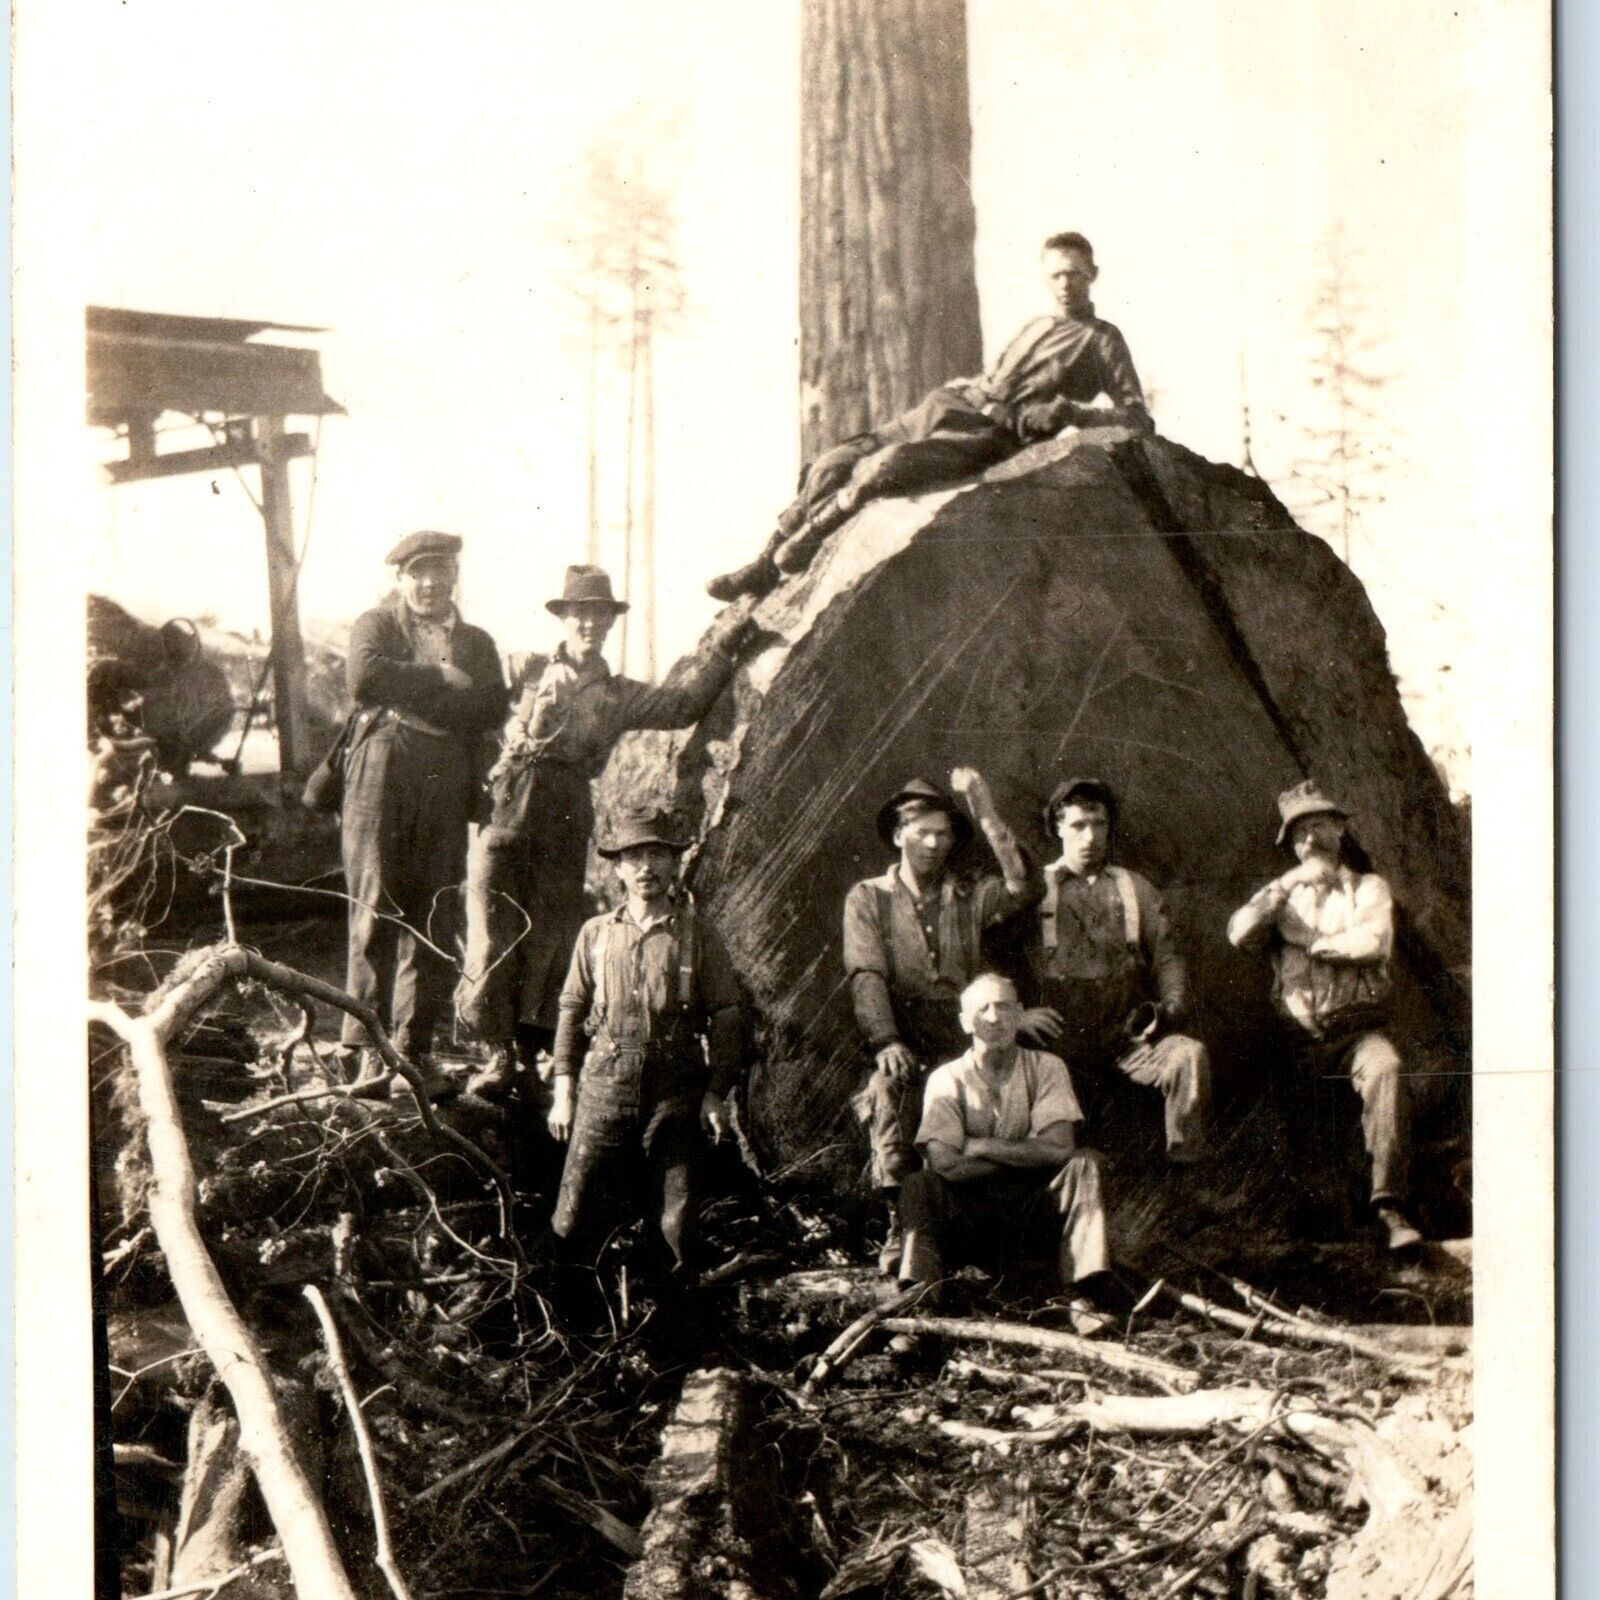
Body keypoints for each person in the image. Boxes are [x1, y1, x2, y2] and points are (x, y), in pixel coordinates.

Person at [707, 231, 1152, 601]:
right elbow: (999, 374)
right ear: (1044, 276)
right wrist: (968, 384)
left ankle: (806, 541)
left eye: (1075, 273)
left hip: (989, 435)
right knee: (832, 462)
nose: (1066, 284)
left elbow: (1136, 419)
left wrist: (1073, 412)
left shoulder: (1102, 340)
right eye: (1056, 274)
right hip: (952, 405)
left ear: (1093, 275)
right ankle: (762, 567)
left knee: (884, 467)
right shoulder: (1037, 323)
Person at [456, 565, 756, 1099]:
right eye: (580, 614)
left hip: (565, 809)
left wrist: (727, 648)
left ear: (611, 622)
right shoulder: (523, 666)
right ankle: (498, 1053)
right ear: (564, 618)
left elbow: (683, 706)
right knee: (491, 931)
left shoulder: (619, 695)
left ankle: (534, 1057)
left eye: (599, 615)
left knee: (551, 935)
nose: (589, 624)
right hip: (506, 803)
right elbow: (477, 708)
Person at [841, 769, 1046, 1269]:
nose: (933, 845)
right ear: (898, 836)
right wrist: (886, 1039)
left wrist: (985, 810)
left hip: (964, 1032)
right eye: (921, 833)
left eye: (943, 834)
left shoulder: (970, 894)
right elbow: (866, 973)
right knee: (888, 1094)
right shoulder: (869, 897)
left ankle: (993, 1233)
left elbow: (1024, 888)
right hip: (906, 1032)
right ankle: (902, 1225)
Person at [545, 805, 745, 1291]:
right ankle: (571, 1319)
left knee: (675, 1224)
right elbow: (571, 1010)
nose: (646, 868)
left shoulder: (699, 935)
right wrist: (563, 1092)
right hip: (604, 1084)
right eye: (634, 857)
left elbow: (728, 1015)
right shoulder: (595, 934)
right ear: (617, 868)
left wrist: (715, 1093)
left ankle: (669, 1326)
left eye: (657, 855)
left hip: (675, 1089)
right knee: (574, 1212)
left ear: (674, 863)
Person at [338, 532, 507, 1093]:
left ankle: (414, 1053)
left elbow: (489, 705)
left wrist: (411, 689)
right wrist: (440, 679)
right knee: (375, 904)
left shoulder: (477, 642)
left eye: (441, 571)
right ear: (400, 578)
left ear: (455, 575)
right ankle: (369, 1051)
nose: (431, 583)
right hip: (383, 767)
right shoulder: (376, 625)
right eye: (419, 572)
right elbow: (365, 679)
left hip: (446, 775)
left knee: (434, 910)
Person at [1226, 780, 1423, 1253]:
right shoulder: (1281, 896)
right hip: (1299, 1040)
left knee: (1386, 1068)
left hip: (1357, 1032)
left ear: (1339, 829)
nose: (1310, 840)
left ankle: (1389, 1207)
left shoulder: (1368, 888)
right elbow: (1239, 932)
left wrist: (1312, 945)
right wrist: (1284, 887)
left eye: (1318, 826)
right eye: (1299, 834)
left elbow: (1371, 942)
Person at [897, 973, 1115, 1337]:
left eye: (1003, 1007)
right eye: (982, 1009)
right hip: (971, 1216)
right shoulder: (946, 1078)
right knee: (919, 1185)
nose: (994, 1018)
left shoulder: (1046, 1067)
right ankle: (919, 1309)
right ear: (966, 1022)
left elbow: (1060, 1147)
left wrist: (981, 1146)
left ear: (1019, 1014)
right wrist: (1029, 1153)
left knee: (1084, 1164)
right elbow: (945, 1163)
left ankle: (1083, 1297)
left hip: (1034, 1212)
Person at [1022, 778, 1210, 1163]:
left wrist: (1171, 1002)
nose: (1090, 837)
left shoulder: (1134, 887)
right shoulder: (1036, 890)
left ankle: (1186, 1163)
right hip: (1059, 1045)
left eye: (1099, 824)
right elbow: (996, 959)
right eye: (1078, 825)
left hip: (1127, 1038)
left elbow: (1167, 956)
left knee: (1188, 1056)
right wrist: (1019, 1016)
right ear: (1058, 828)